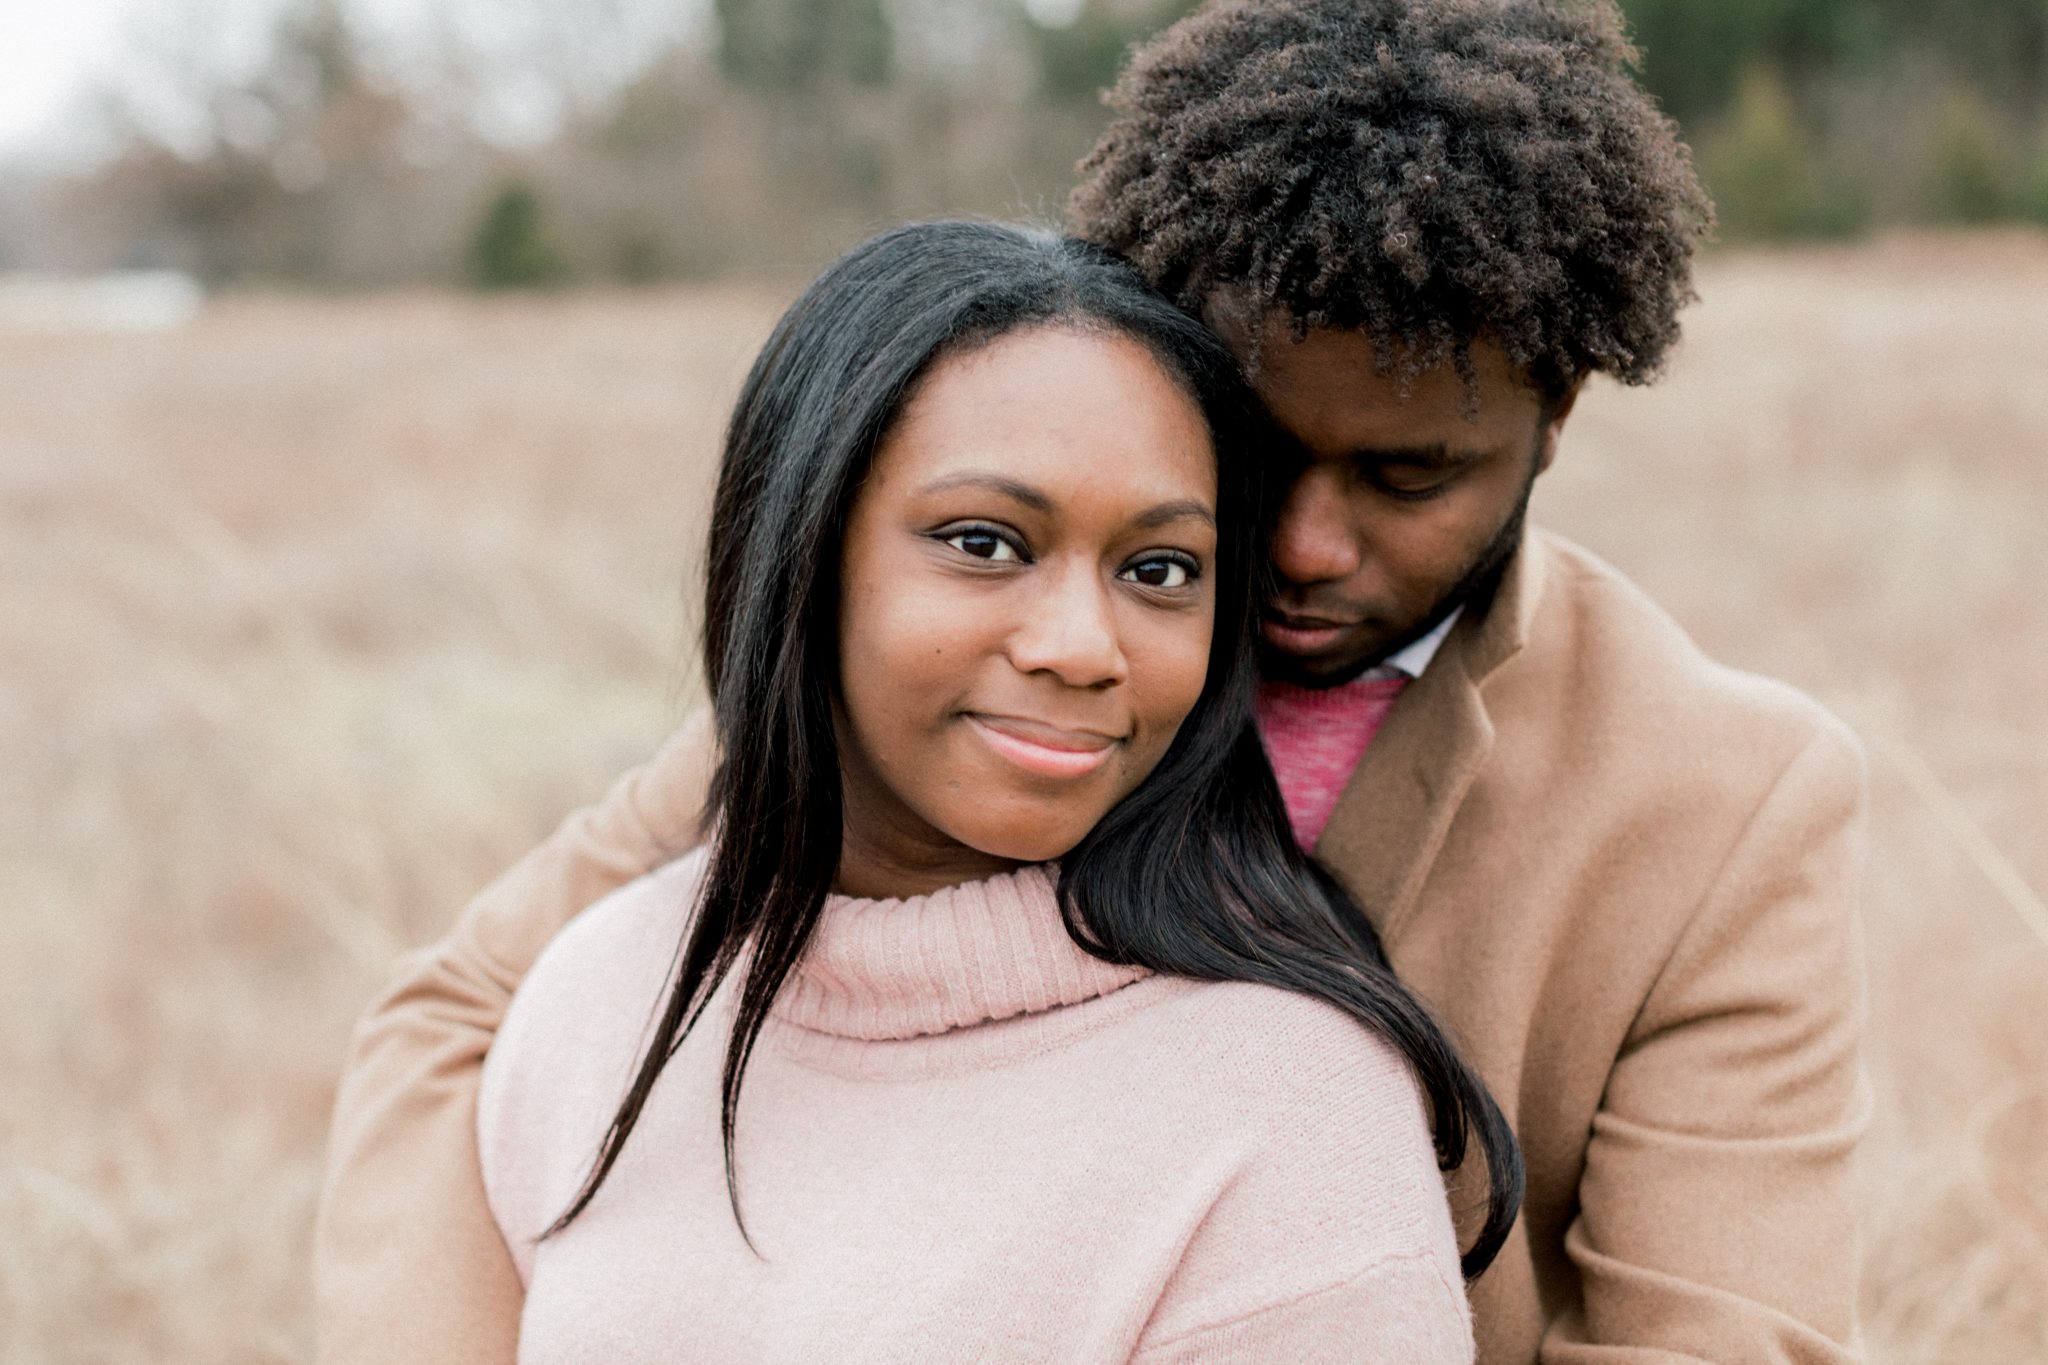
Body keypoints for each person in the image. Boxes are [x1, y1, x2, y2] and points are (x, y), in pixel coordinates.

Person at [317, 1, 1871, 1362]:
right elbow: (467, 1009)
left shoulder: (1719, 799)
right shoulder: (948, 674)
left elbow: (1723, 1333)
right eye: (1259, 454)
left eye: (1411, 476)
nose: (1305, 546)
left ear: (1558, 415)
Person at [466, 220, 1517, 1360]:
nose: (1082, 646)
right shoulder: (596, 996)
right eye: (985, 542)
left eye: (1157, 570)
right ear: (799, 547)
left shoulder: (1285, 1115)